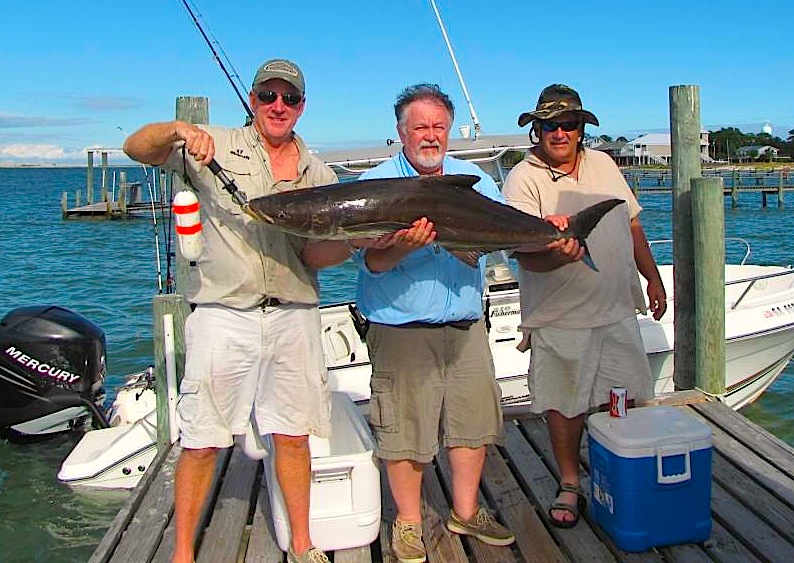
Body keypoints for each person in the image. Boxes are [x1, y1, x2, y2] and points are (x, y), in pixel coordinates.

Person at [123, 59, 356, 563]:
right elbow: (136, 147)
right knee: (202, 438)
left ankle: (303, 543)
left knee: (293, 435)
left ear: (302, 107)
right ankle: (182, 553)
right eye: (268, 95)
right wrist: (179, 129)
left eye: (289, 98)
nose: (278, 106)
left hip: (295, 313)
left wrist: (358, 240)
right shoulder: (214, 144)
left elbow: (316, 256)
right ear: (252, 100)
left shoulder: (320, 175)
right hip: (223, 314)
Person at [351, 83, 515, 563]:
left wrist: (551, 234)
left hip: (466, 323)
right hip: (402, 329)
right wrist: (403, 246)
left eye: (438, 126)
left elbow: (506, 229)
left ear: (449, 130)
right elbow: (370, 263)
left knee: (472, 422)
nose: (430, 135)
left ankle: (466, 510)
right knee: (405, 429)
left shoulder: (473, 179)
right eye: (419, 126)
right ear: (401, 132)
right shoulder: (377, 185)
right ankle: (407, 521)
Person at [502, 84, 667, 528]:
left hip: (617, 308)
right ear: (536, 131)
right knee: (565, 405)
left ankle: (619, 469)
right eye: (549, 125)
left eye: (568, 124)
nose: (559, 133)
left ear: (581, 129)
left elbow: (632, 224)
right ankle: (570, 482)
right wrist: (559, 253)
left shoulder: (605, 164)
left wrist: (651, 277)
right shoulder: (523, 178)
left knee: (625, 397)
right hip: (560, 316)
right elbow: (524, 253)